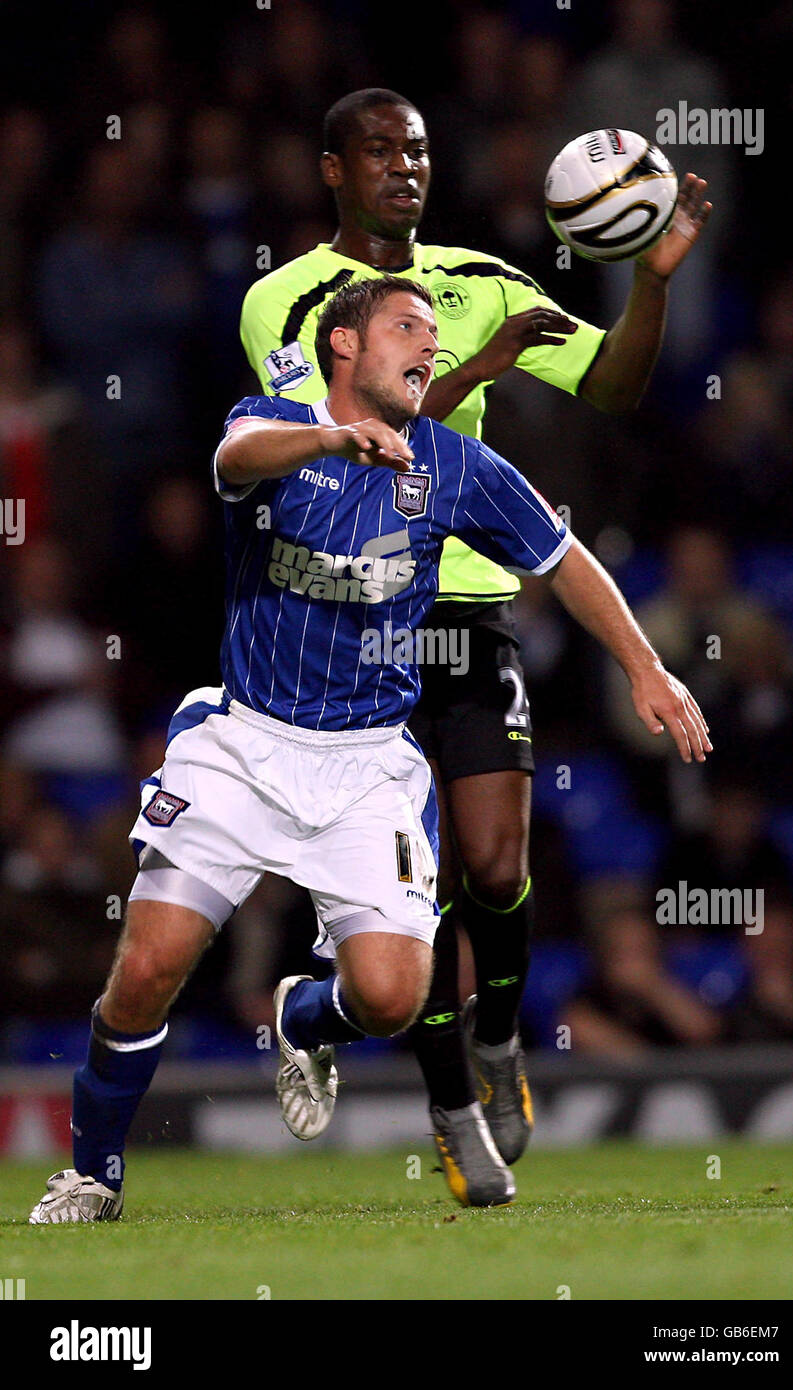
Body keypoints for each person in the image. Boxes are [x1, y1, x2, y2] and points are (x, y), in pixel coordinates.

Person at [29, 278, 710, 1224]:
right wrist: (329, 439)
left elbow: (564, 558)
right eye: (406, 327)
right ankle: (94, 1176)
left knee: (394, 996)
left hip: (367, 765)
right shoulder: (276, 421)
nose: (427, 345)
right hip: (243, 746)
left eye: (435, 336)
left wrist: (646, 667)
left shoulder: (456, 465)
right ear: (343, 344)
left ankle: (302, 1016)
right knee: (148, 968)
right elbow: (235, 455)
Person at [238, 88, 711, 1200]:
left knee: (497, 865)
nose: (403, 167)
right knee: (424, 877)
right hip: (350, 611)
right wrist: (486, 364)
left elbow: (614, 382)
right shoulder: (287, 298)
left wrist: (644, 281)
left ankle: (496, 1034)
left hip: (465, 603)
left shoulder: (483, 281)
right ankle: (452, 1108)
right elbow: (355, 442)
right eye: (377, 151)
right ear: (330, 171)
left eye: (416, 149)